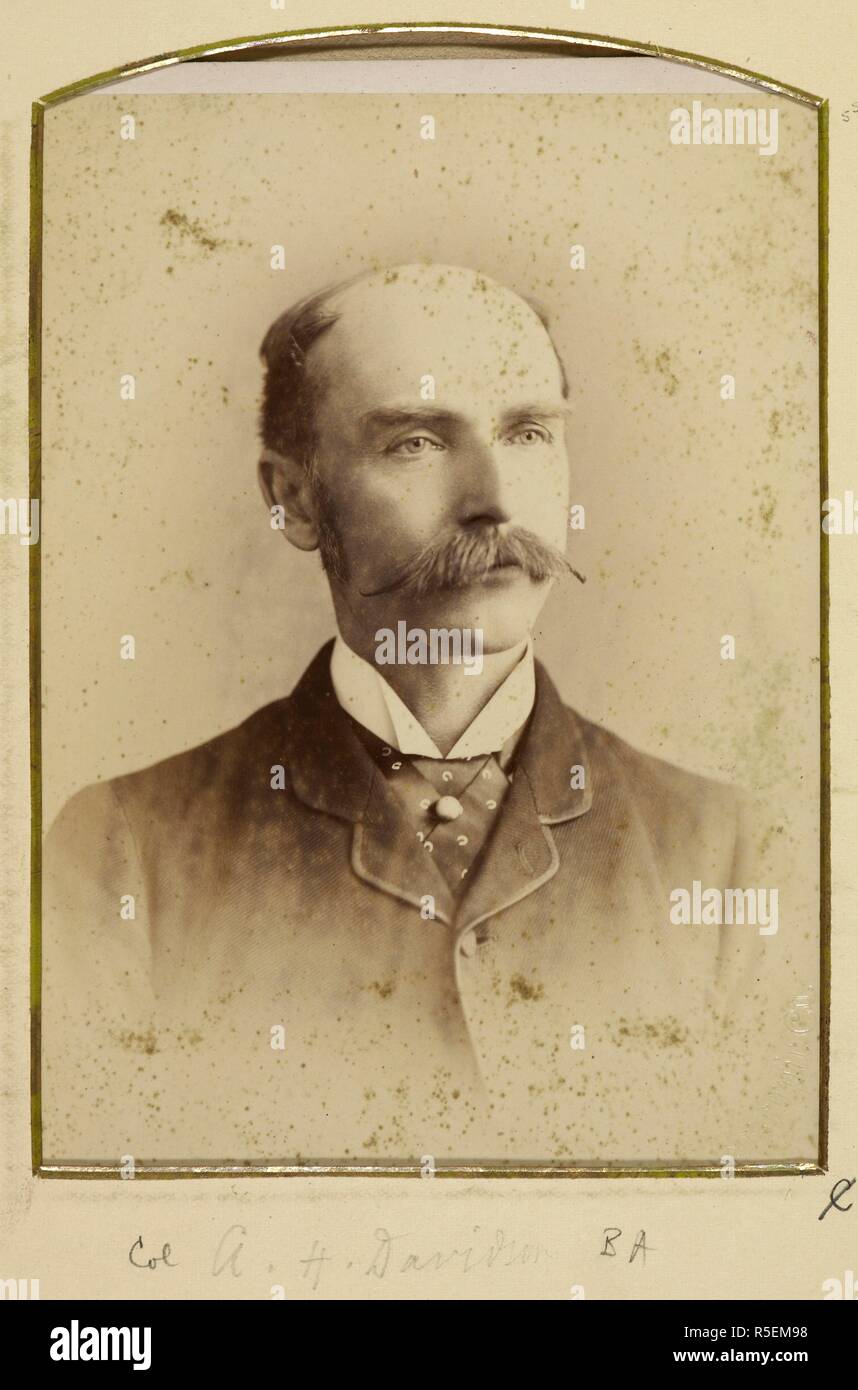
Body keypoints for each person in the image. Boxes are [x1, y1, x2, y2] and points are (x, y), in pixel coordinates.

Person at [41, 264, 812, 1166]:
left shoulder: (729, 855)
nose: (494, 497)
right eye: (415, 441)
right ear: (292, 497)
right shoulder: (121, 851)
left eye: (527, 432)